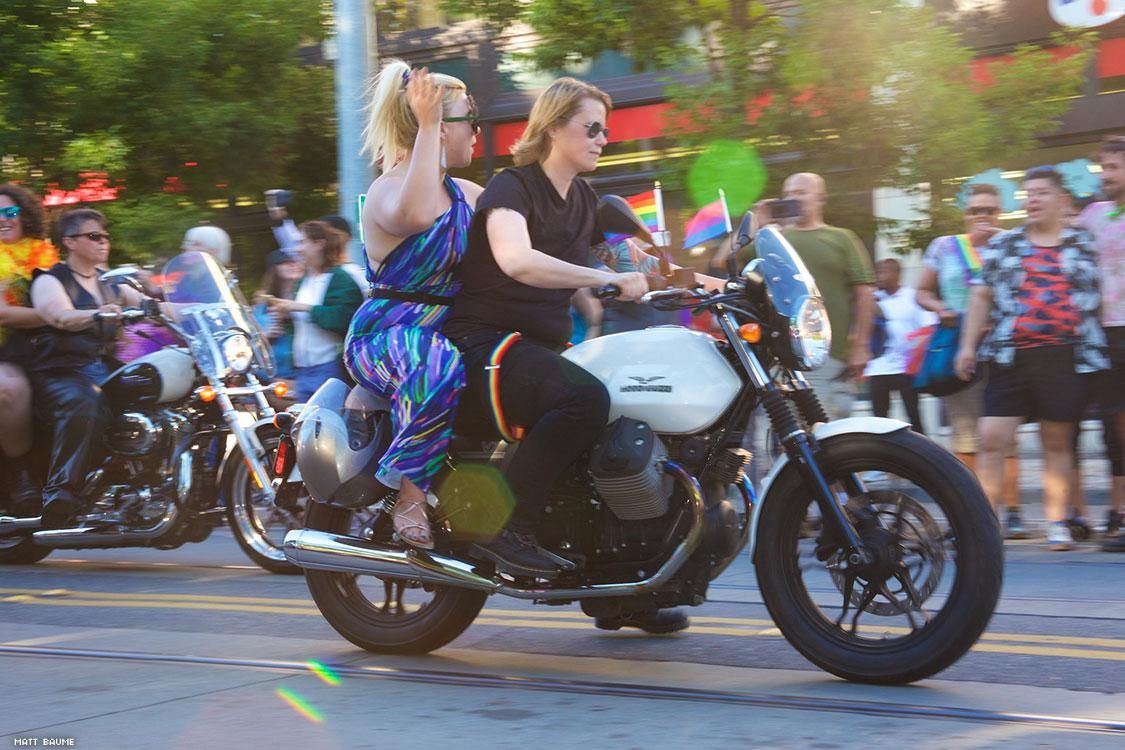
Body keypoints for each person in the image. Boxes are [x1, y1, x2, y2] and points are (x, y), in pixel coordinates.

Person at [444, 76, 713, 634]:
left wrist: (728, 285)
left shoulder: (586, 202)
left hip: (535, 348)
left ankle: (621, 591)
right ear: (551, 127)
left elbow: (650, 265)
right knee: (585, 399)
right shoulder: (511, 189)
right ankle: (504, 525)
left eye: (606, 130)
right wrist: (606, 279)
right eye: (591, 128)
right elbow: (517, 260)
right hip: (482, 346)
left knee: (625, 410)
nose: (602, 139)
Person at [343, 62, 483, 550]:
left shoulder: (465, 194)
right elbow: (419, 214)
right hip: (386, 335)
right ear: (441, 127)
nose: (478, 131)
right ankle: (409, 495)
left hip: (448, 328)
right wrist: (426, 127)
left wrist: (613, 254)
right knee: (433, 362)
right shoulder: (387, 190)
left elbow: (525, 233)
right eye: (470, 118)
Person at [955, 166, 1107, 551]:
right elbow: (980, 295)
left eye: (1041, 192)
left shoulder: (1082, 243)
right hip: (1012, 356)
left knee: (1056, 442)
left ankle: (1057, 522)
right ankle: (988, 524)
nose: (1033, 199)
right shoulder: (1005, 244)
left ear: (1061, 201)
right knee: (991, 438)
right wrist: (967, 345)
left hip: (1064, 356)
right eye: (1028, 194)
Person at [916, 183, 1026, 538]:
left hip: (1004, 350)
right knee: (964, 435)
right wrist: (941, 309)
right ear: (965, 214)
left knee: (1004, 437)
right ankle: (970, 511)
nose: (982, 217)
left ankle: (1012, 511)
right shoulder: (944, 247)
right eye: (975, 210)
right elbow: (921, 292)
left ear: (1000, 213)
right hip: (958, 348)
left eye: (989, 210)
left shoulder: (1014, 244)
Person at [28, 208, 144, 528]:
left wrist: (204, 308)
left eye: (105, 236)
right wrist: (96, 315)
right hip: (60, 371)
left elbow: (154, 304)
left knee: (155, 390)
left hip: (103, 368)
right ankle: (60, 491)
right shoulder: (50, 280)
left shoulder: (110, 285)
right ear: (70, 242)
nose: (103, 242)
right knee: (87, 401)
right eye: (94, 236)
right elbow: (58, 316)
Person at [781, 173, 877, 419]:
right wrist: (757, 222)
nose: (793, 198)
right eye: (788, 194)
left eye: (800, 192)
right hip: (781, 356)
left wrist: (860, 346)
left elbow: (865, 293)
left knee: (822, 432)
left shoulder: (842, 238)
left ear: (821, 197)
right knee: (783, 438)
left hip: (826, 354)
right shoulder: (776, 239)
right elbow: (724, 260)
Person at [1076, 136, 1125, 552]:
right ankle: (1118, 514)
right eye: (1103, 168)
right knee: (1114, 427)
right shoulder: (1092, 216)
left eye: (1113, 168)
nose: (1106, 176)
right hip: (1106, 333)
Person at [0, 184, 59, 514]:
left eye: (9, 212)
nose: (2, 220)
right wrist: (58, 315)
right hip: (5, 349)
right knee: (10, 390)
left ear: (24, 215)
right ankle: (19, 474)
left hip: (41, 347)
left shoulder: (45, 255)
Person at [266, 220, 363, 401]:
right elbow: (302, 321)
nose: (298, 249)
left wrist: (298, 307)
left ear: (319, 244)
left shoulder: (340, 278)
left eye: (302, 243)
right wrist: (285, 315)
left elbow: (344, 318)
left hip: (330, 368)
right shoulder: (304, 281)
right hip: (303, 371)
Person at [864, 258, 934, 433]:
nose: (878, 277)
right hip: (878, 367)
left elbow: (928, 327)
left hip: (906, 366)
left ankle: (921, 451)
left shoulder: (912, 296)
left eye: (883, 272)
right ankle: (884, 454)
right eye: (877, 272)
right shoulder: (870, 300)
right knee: (879, 419)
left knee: (914, 415)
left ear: (896, 274)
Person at [254, 249, 303, 381]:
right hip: (273, 377)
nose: (292, 264)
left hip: (304, 373)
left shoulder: (307, 298)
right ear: (274, 269)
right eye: (284, 262)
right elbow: (249, 347)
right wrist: (266, 336)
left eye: (294, 261)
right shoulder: (262, 308)